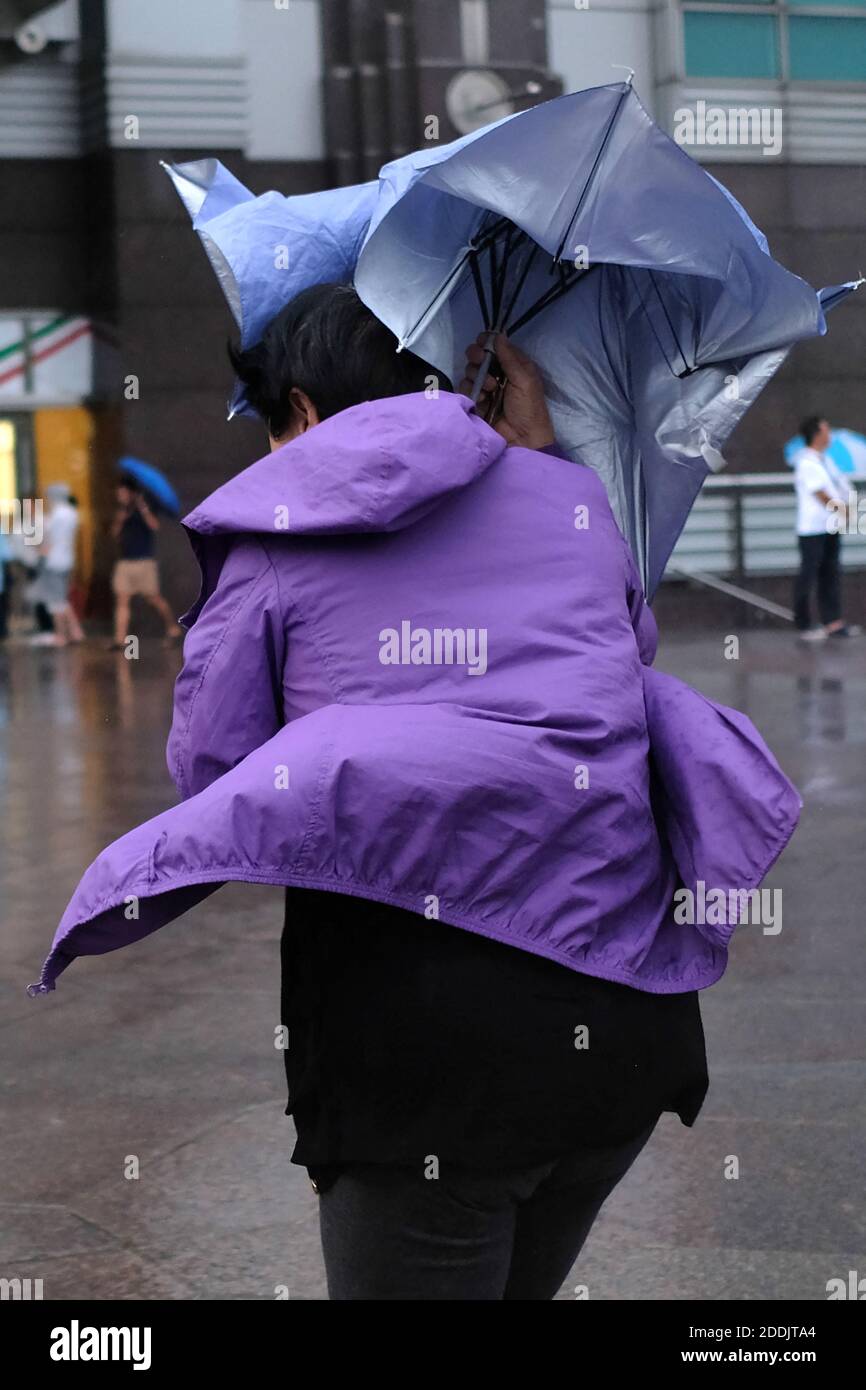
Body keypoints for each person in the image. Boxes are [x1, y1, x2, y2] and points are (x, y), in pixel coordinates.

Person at [38, 283, 796, 1301]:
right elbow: (617, 662)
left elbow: (213, 779)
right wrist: (539, 462)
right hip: (621, 1027)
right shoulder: (563, 495)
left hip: (423, 1057)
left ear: (300, 412)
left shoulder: (275, 532)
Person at [792, 416, 860, 642]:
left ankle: (833, 622)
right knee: (809, 574)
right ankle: (803, 623)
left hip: (829, 526)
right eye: (826, 430)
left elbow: (839, 485)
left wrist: (848, 506)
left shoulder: (826, 460)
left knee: (830, 573)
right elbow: (820, 494)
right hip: (812, 529)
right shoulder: (806, 463)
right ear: (817, 434)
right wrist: (843, 510)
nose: (829, 435)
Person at [110, 476, 182, 649]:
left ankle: (172, 627)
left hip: (144, 561)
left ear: (130, 492)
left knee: (153, 598)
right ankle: (120, 640)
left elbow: (154, 526)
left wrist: (143, 509)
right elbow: (114, 534)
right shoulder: (122, 511)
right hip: (125, 562)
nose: (119, 495)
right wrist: (120, 519)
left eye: (122, 492)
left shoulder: (146, 507)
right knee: (122, 599)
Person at [31, 483, 85, 647]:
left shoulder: (56, 515)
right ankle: (75, 631)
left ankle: (61, 635)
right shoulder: (72, 514)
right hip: (67, 560)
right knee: (60, 598)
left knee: (55, 600)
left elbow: (44, 537)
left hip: (54, 561)